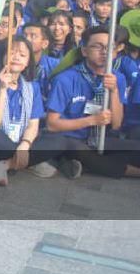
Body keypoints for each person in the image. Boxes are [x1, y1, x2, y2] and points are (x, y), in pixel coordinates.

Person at [45, 25, 140, 179]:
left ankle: (75, 164)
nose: (104, 52)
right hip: (71, 138)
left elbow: (116, 124)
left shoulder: (118, 78)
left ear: (116, 52)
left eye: (110, 47)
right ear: (84, 50)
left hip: (100, 138)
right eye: (97, 46)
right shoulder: (65, 79)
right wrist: (91, 120)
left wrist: (114, 92)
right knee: (76, 148)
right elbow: (52, 124)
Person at [0, 37, 67, 181]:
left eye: (22, 55)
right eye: (12, 52)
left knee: (58, 141)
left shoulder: (32, 88)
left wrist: (25, 145)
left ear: (27, 62)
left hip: (20, 141)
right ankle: (27, 162)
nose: (16, 57)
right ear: (2, 56)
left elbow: (33, 124)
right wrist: (2, 89)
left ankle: (6, 165)